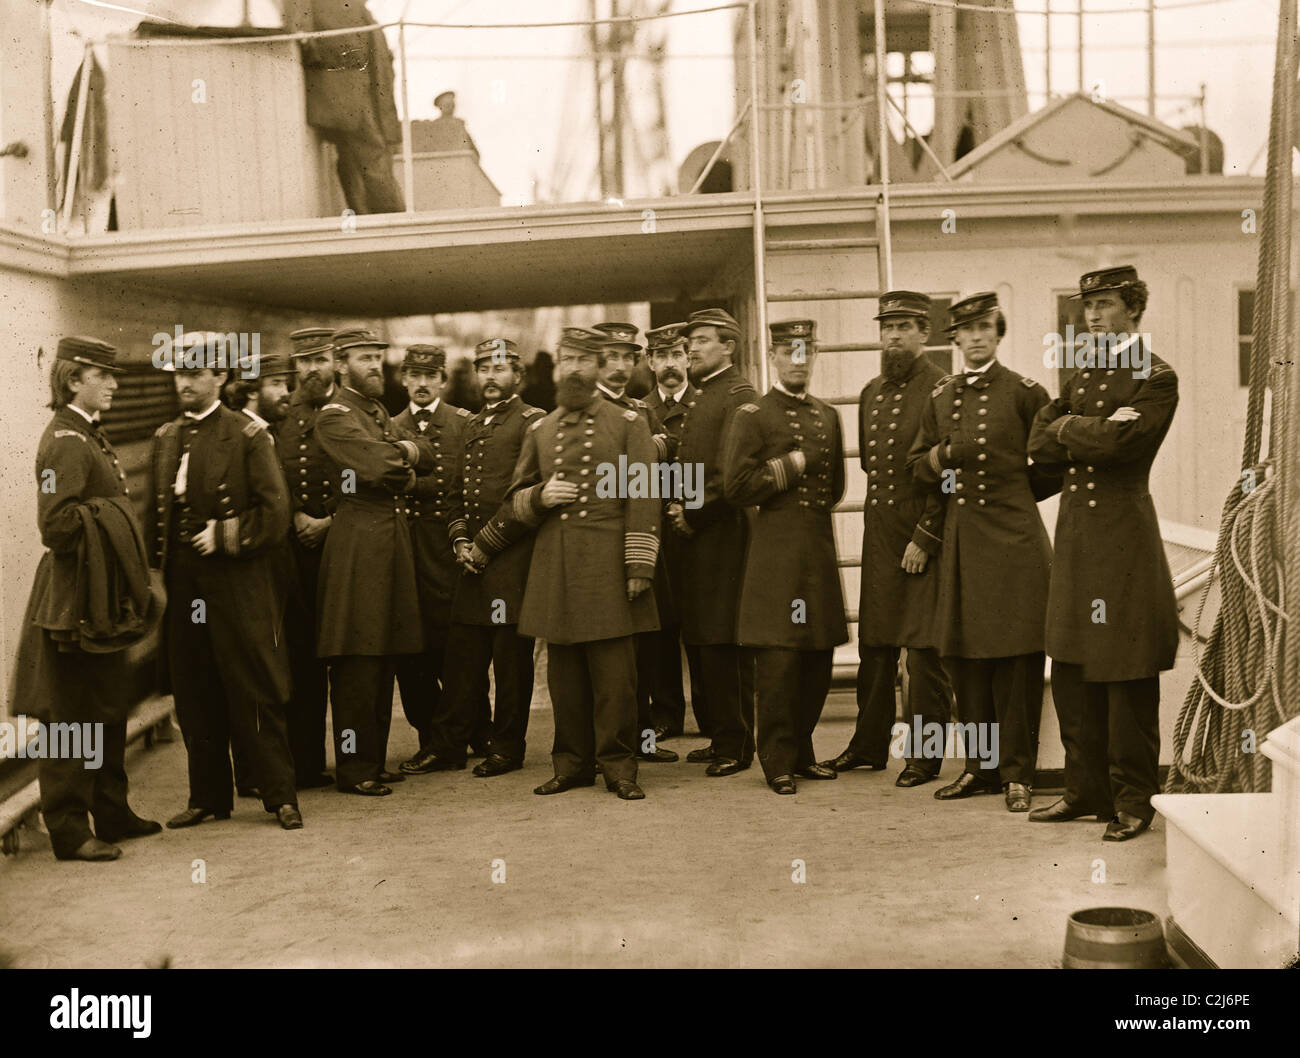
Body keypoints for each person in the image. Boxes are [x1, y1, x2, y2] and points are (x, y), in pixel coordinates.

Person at [467, 327, 661, 800]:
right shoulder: (542, 428)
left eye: (582, 360)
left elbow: (643, 495)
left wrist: (638, 566)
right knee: (565, 678)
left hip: (610, 564)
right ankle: (572, 764)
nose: (573, 369)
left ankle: (619, 767)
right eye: (566, 359)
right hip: (557, 566)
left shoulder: (628, 423)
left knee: (615, 678)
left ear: (597, 368)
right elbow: (514, 498)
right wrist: (540, 496)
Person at [1027, 265, 1179, 842]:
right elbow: (1039, 441)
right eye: (1088, 306)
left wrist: (1069, 427)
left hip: (1123, 545)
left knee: (1127, 675)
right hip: (1077, 544)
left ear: (1135, 310)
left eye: (1107, 304)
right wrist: (1083, 426)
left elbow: (1124, 446)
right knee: (1072, 671)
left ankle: (1134, 802)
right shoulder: (1081, 373)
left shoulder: (1157, 377)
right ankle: (1083, 791)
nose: (1093, 316)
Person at [907, 293, 1060, 813]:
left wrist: (1013, 498)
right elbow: (919, 467)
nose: (975, 337)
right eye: (965, 330)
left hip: (1016, 544)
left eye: (984, 328)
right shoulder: (940, 394)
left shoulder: (1025, 392)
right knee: (965, 660)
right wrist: (945, 457)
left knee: (1018, 661)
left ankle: (1019, 775)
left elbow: (1052, 464)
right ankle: (980, 768)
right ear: (954, 339)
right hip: (963, 544)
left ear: (999, 333)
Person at [11, 337, 162, 861]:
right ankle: (70, 831)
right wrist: (115, 516)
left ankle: (112, 812)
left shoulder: (84, 435)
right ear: (74, 379)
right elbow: (56, 525)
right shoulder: (65, 442)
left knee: (106, 705)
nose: (116, 384)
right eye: (104, 375)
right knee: (71, 716)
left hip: (96, 597)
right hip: (74, 602)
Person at [151, 348, 302, 831]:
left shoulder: (247, 433)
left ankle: (280, 794)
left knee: (253, 682)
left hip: (236, 578)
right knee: (194, 685)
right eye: (179, 375)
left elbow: (275, 512)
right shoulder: (167, 436)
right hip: (184, 578)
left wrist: (225, 534)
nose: (184, 384)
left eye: (195, 374)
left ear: (220, 375)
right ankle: (208, 796)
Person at [824, 291, 954, 787]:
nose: (894, 336)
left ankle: (924, 757)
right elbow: (871, 470)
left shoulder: (942, 389)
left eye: (904, 326)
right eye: (887, 327)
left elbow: (945, 476)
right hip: (881, 532)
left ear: (924, 332)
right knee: (876, 646)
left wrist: (925, 536)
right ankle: (868, 745)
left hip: (924, 531)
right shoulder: (870, 392)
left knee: (922, 654)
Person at [407, 338, 545, 778]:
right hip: (470, 566)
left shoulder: (532, 422)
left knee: (510, 667)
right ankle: (447, 746)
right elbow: (454, 495)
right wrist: (460, 542)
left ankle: (506, 747)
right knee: (462, 663)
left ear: (518, 377)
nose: (490, 376)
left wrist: (485, 544)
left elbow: (527, 497)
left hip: (509, 564)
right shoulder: (472, 425)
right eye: (483, 368)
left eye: (500, 368)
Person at [723, 320, 846, 795]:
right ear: (773, 356)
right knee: (778, 663)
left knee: (817, 659)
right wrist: (789, 467)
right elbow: (735, 487)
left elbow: (835, 487)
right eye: (789, 351)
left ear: (813, 356)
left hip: (816, 551)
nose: (798, 359)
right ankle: (776, 760)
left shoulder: (828, 415)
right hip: (774, 555)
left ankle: (804, 751)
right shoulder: (752, 415)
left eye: (805, 351)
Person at [313, 329, 436, 796]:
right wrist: (404, 455)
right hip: (359, 546)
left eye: (377, 359)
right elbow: (382, 467)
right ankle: (353, 767)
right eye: (364, 359)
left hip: (386, 541)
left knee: (383, 656)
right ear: (341, 364)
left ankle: (372, 759)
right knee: (357, 663)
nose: (374, 367)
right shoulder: (335, 416)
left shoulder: (376, 411)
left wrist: (404, 452)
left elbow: (426, 456)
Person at [674, 308, 758, 777]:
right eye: (691, 341)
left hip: (723, 533)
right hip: (698, 535)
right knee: (705, 638)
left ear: (729, 346)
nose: (692, 348)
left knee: (725, 640)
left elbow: (735, 475)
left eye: (702, 340)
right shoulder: (707, 394)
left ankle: (737, 743)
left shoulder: (738, 395)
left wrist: (693, 514)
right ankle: (723, 734)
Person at [592, 323, 676, 764]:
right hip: (603, 544)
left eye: (629, 357)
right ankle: (603, 745)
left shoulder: (642, 410)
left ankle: (643, 742)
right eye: (613, 357)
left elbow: (664, 461)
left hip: (643, 539)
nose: (622, 366)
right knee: (607, 653)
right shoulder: (586, 411)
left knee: (642, 649)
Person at [385, 346, 471, 767]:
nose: (421, 382)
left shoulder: (463, 423)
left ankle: (469, 731)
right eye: (414, 374)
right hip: (404, 555)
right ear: (403, 379)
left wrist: (411, 483)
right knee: (412, 656)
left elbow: (466, 487)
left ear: (442, 380)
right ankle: (431, 737)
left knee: (455, 651)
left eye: (430, 374)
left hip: (448, 554)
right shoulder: (386, 425)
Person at [275, 328, 341, 790]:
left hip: (344, 548)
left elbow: (365, 477)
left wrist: (331, 521)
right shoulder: (284, 416)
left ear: (335, 360)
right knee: (303, 659)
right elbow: (271, 477)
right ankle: (307, 762)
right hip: (297, 555)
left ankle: (356, 758)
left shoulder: (355, 409)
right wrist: (295, 513)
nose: (312, 370)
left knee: (349, 659)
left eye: (319, 359)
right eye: (304, 362)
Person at [641, 322, 707, 742]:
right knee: (659, 627)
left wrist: (692, 505)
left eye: (677, 355)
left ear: (688, 359)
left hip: (698, 532)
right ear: (649, 362)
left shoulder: (705, 405)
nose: (669, 365)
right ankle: (665, 714)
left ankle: (712, 714)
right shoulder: (638, 411)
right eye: (661, 357)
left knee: (702, 624)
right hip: (657, 535)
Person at [282, 0, 405, 215]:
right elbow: (303, 33)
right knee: (372, 155)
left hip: (364, 91)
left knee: (355, 157)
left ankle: (368, 217)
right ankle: (391, 219)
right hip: (344, 90)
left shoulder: (359, 10)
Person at [411, 90, 480, 159]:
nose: (451, 107)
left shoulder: (459, 125)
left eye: (452, 105)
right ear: (440, 107)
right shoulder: (434, 126)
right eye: (447, 105)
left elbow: (474, 152)